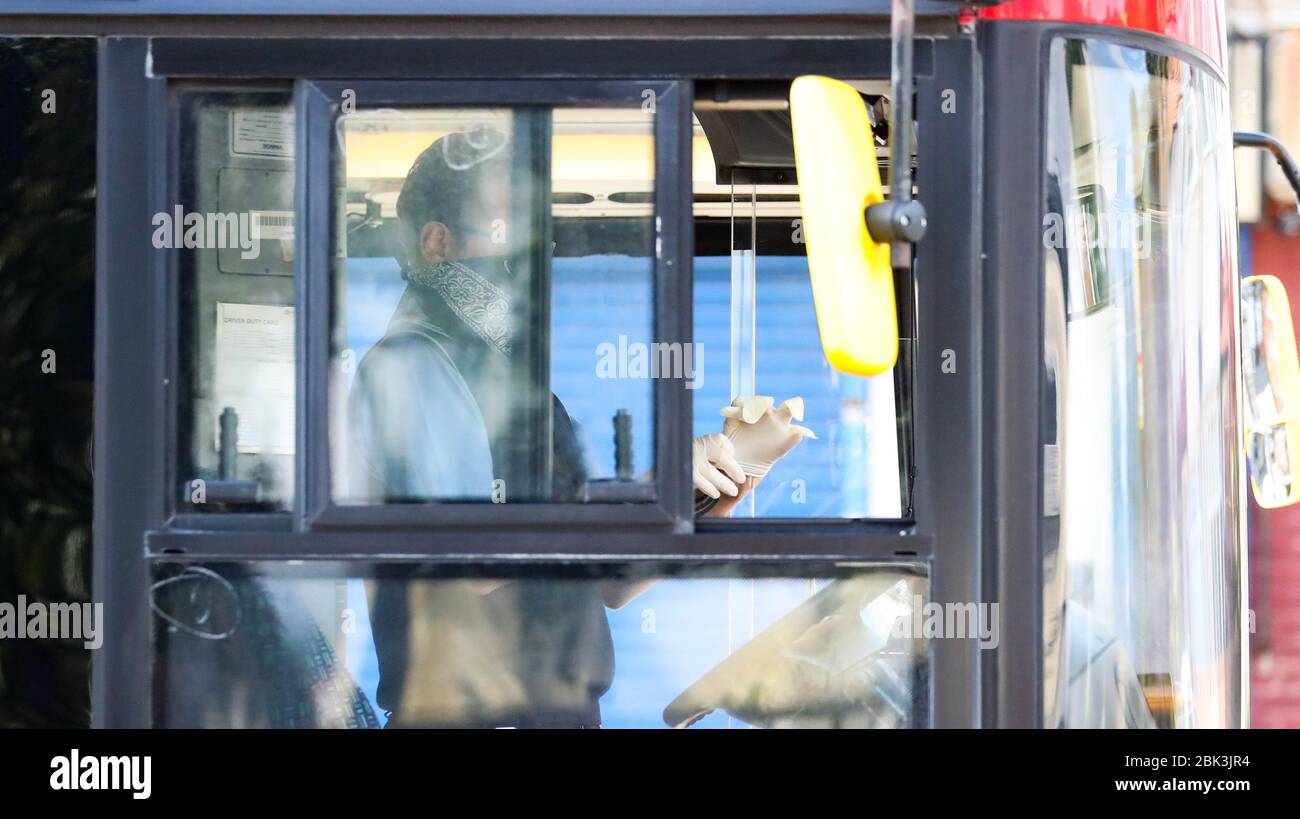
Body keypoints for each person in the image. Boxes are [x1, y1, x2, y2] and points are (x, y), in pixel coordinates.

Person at [347, 126, 800, 727]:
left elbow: (604, 583)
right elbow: (470, 562)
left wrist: (684, 509)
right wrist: (644, 492)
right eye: (508, 234)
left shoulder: (510, 377)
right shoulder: (416, 366)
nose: (529, 261)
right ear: (438, 243)